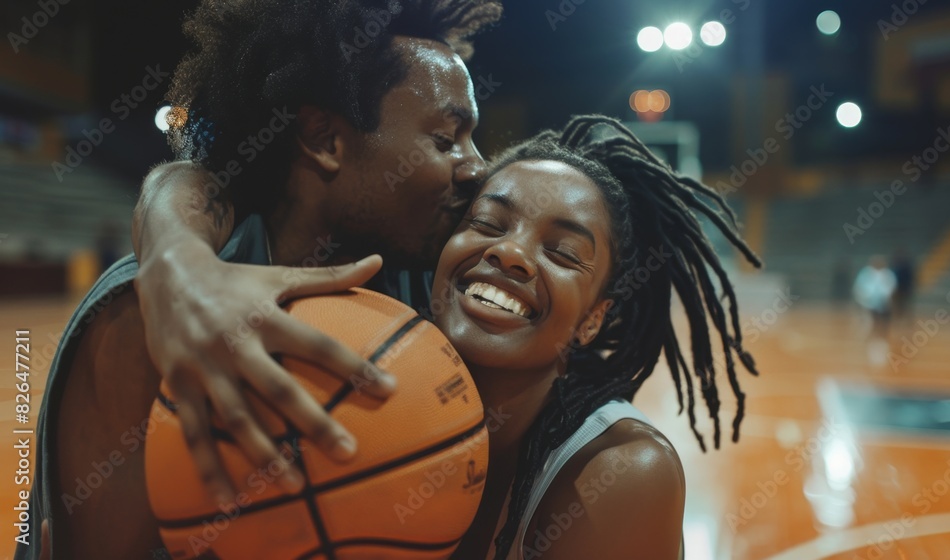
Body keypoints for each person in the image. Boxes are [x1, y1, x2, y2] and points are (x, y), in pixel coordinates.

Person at [16, 0, 502, 557]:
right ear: (326, 141)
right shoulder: (151, 314)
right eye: (446, 139)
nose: (476, 166)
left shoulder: (425, 287)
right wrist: (175, 255)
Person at [432, 116, 760, 559]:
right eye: (489, 223)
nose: (510, 253)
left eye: (563, 252)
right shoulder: (372, 382)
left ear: (592, 320)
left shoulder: (621, 471)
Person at [853, 255, 897, 365]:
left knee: (884, 323)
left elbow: (891, 287)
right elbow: (860, 288)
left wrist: (885, 297)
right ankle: (873, 342)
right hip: (870, 304)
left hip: (884, 304)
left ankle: (882, 340)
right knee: (872, 323)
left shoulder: (887, 274)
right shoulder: (866, 273)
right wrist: (865, 299)